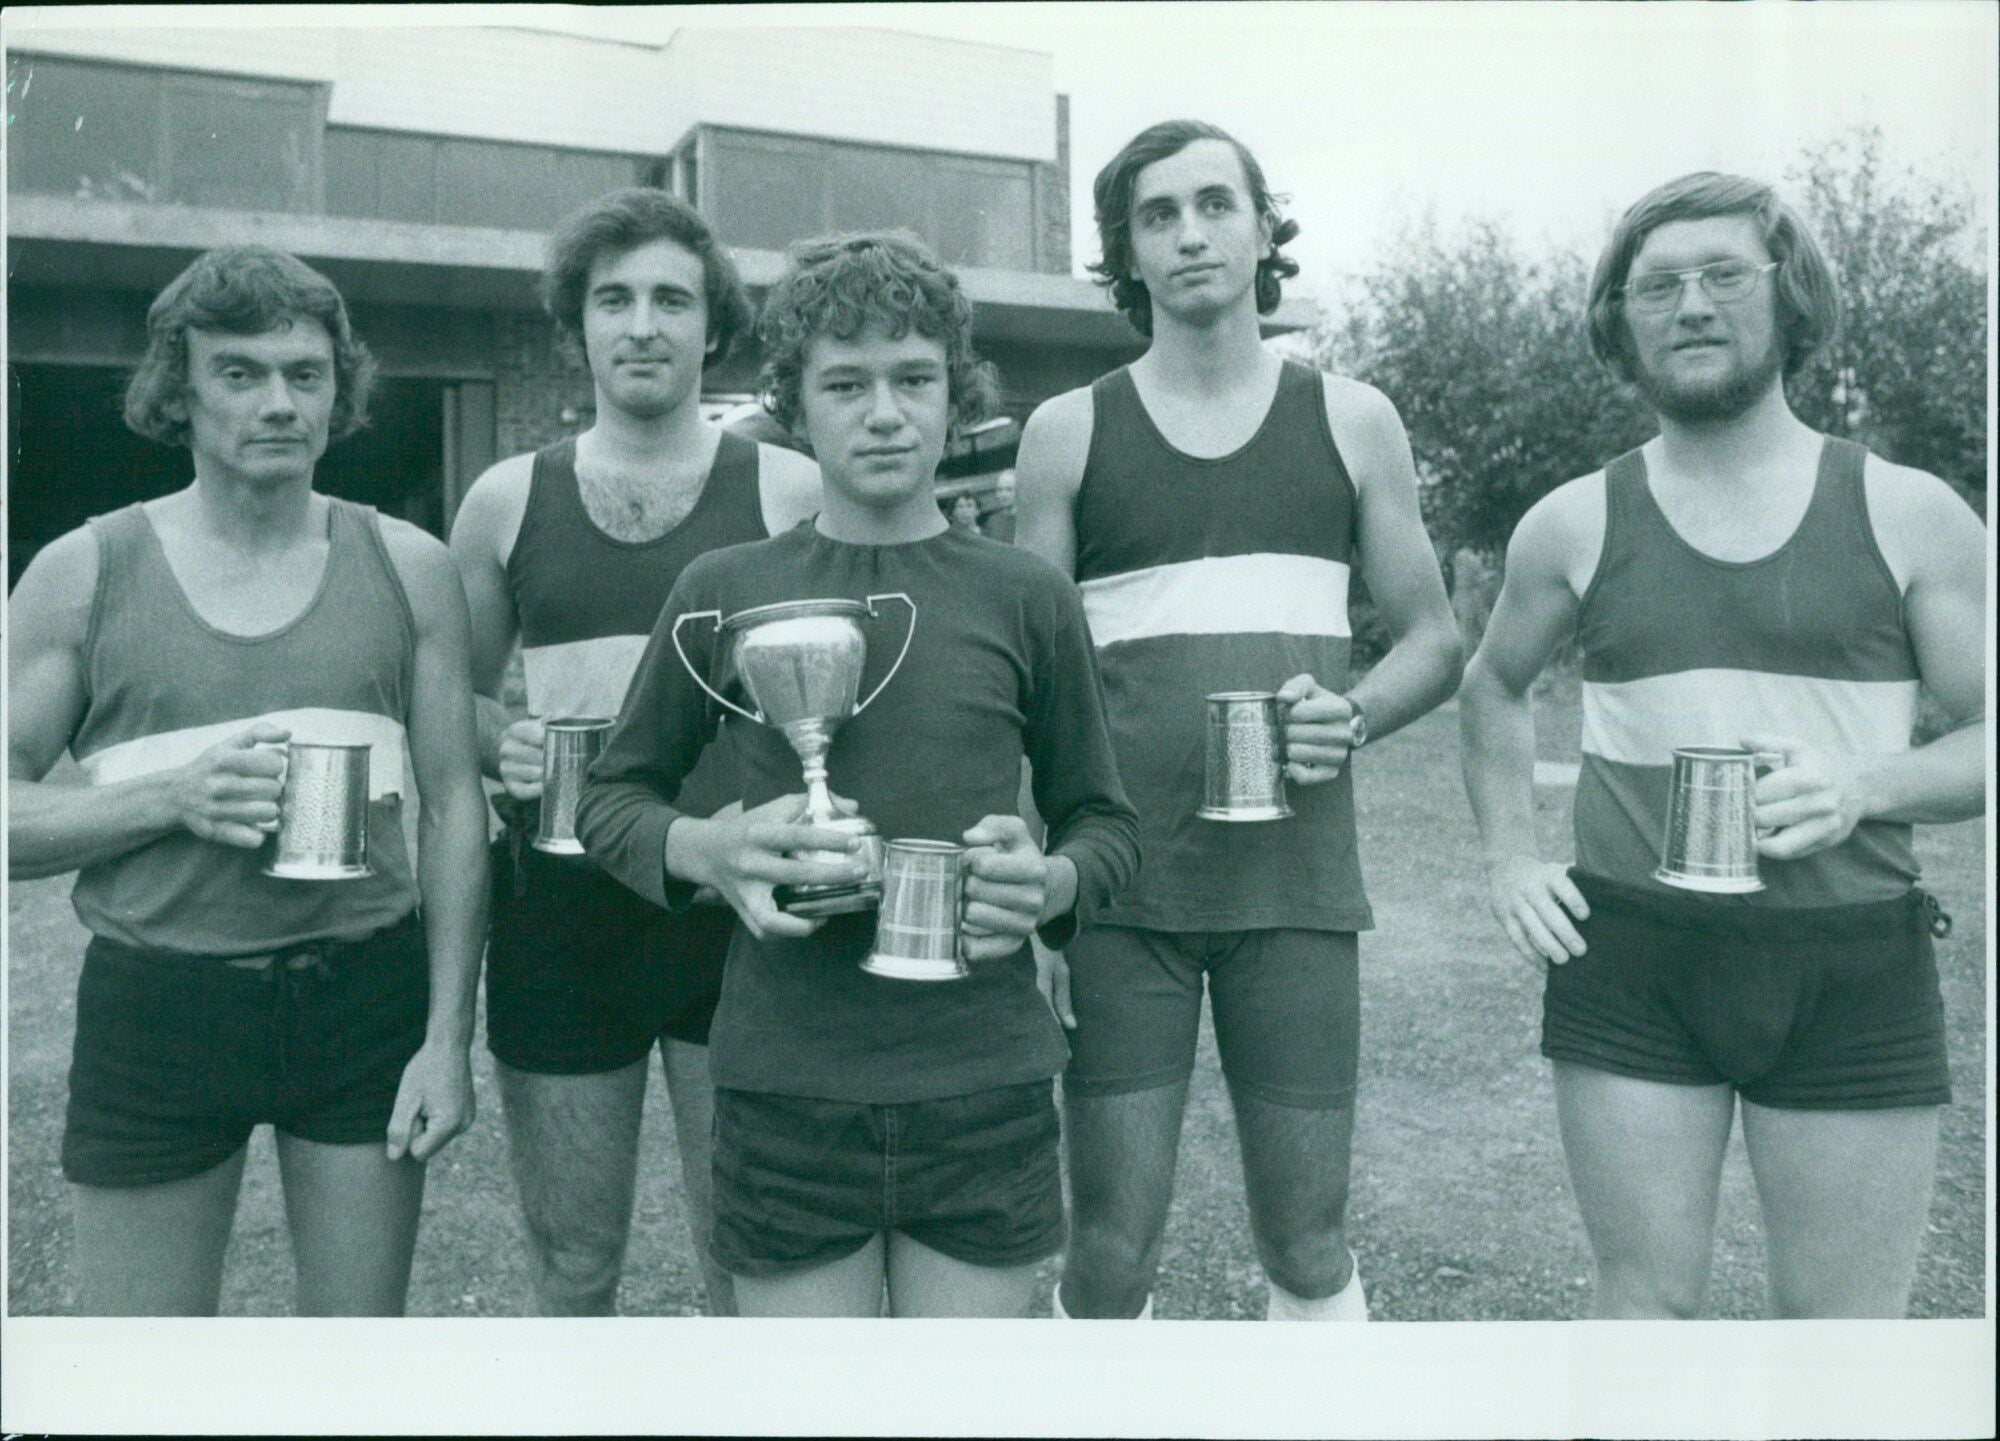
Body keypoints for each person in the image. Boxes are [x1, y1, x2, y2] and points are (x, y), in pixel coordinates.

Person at [576, 232, 1140, 1318]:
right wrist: (710, 851)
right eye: (845, 383)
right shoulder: (723, 584)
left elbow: (1104, 821)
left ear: (953, 394)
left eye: (912, 379)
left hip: (982, 1085)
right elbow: (611, 798)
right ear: (792, 402)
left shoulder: (1025, 593)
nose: (883, 412)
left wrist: (1053, 882)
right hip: (785, 1087)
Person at [1458, 172, 1986, 1318]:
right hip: (1633, 956)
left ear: (1787, 298)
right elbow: (1489, 684)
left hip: (1849, 958)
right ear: (1619, 320)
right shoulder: (1570, 520)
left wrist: (1866, 784)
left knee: (1841, 1346)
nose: (1689, 304)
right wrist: (1508, 856)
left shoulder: (1908, 512)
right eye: (1656, 285)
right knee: (1641, 1307)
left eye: (1720, 275)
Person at [1014, 120, 1464, 1321]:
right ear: (1128, 252)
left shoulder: (1351, 417)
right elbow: (1033, 684)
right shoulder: (1066, 433)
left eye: (1215, 204)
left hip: (1295, 889)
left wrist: (1354, 713)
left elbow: (1434, 640)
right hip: (1121, 897)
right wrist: (1040, 898)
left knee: (1307, 1243)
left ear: (1264, 228)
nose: (1189, 233)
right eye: (1156, 215)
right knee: (1106, 1254)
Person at [7, 246, 487, 1315]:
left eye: (305, 374)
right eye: (240, 373)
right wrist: (166, 799)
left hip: (362, 990)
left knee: (350, 1373)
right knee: (145, 1377)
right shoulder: (84, 571)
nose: (279, 402)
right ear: (178, 389)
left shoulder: (409, 564)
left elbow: (458, 805)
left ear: (337, 389)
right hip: (159, 1002)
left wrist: (448, 1036)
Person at [448, 188, 820, 1316]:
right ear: (580, 325)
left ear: (714, 326)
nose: (643, 324)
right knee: (571, 1269)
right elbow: (454, 698)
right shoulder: (506, 498)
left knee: (749, 1265)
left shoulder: (788, 489)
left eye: (672, 298)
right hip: (564, 911)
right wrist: (504, 738)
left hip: (741, 910)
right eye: (615, 299)